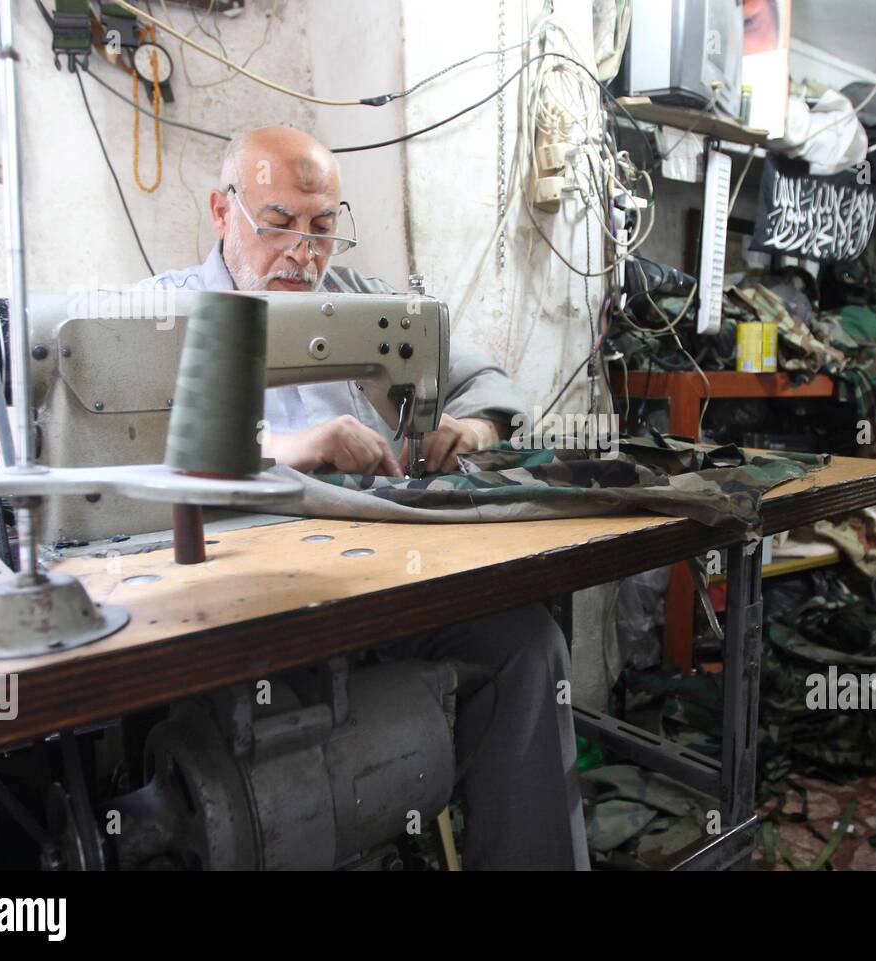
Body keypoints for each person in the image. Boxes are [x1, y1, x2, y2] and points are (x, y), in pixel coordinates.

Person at [145, 125, 588, 870]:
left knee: (527, 645)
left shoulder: (359, 303)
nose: (303, 252)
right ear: (222, 213)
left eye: (323, 230)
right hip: (247, 616)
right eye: (278, 223)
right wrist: (286, 451)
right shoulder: (160, 317)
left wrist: (470, 430)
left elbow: (488, 384)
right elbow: (129, 462)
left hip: (382, 587)